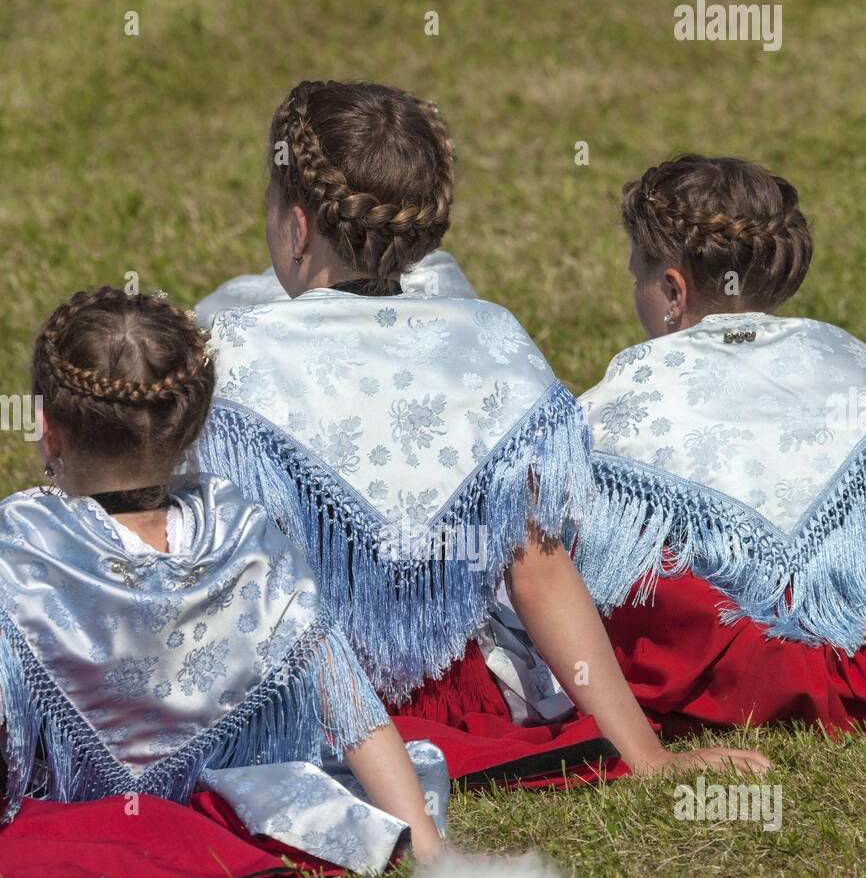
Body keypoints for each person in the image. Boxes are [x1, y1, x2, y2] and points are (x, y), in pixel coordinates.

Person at [195, 80, 767, 779]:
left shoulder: (228, 356)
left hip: (293, 708)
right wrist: (646, 756)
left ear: (297, 224)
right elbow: (540, 573)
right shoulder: (492, 343)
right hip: (460, 698)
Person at [0, 286, 446, 871]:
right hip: (226, 801)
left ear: (46, 428)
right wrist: (430, 849)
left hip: (69, 805)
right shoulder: (242, 533)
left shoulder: (22, 546)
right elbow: (350, 705)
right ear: (193, 425)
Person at [574, 154, 866, 732]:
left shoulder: (624, 396)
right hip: (852, 649)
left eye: (639, 277)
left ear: (673, 291)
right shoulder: (848, 359)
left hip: (723, 670)